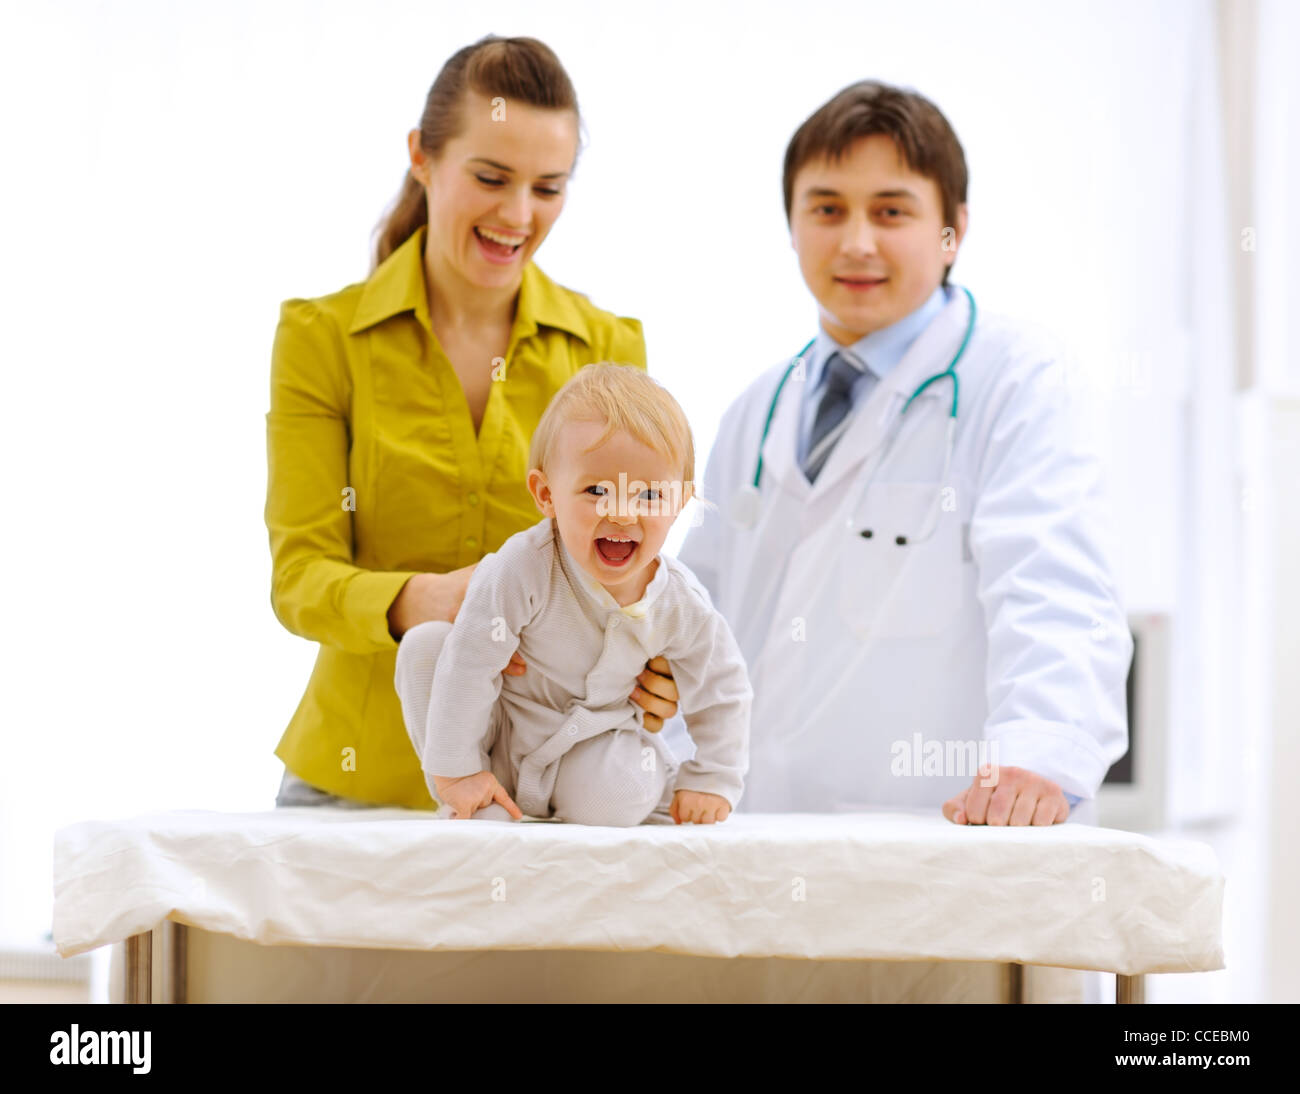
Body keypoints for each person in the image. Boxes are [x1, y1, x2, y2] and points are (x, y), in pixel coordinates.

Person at [676, 80, 1132, 827]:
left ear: (953, 228)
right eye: (827, 208)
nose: (856, 241)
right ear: (791, 225)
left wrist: (1037, 756)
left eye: (891, 211)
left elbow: (1053, 585)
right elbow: (694, 618)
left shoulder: (1017, 379)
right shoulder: (755, 410)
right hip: (746, 842)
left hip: (935, 842)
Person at [265, 36, 680, 810]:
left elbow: (630, 572)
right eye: (490, 177)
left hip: (544, 793)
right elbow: (298, 580)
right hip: (358, 789)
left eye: (548, 187)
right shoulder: (323, 339)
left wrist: (660, 669)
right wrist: (420, 601)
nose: (518, 215)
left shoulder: (606, 346)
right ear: (422, 156)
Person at [393, 364, 751, 826]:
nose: (622, 513)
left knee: (622, 795)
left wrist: (712, 777)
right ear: (546, 495)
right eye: (597, 490)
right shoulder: (522, 566)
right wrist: (457, 769)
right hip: (503, 729)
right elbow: (470, 662)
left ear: (680, 503)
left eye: (648, 496)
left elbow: (722, 687)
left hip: (594, 745)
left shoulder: (682, 603)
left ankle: (632, 792)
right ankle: (472, 793)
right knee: (427, 647)